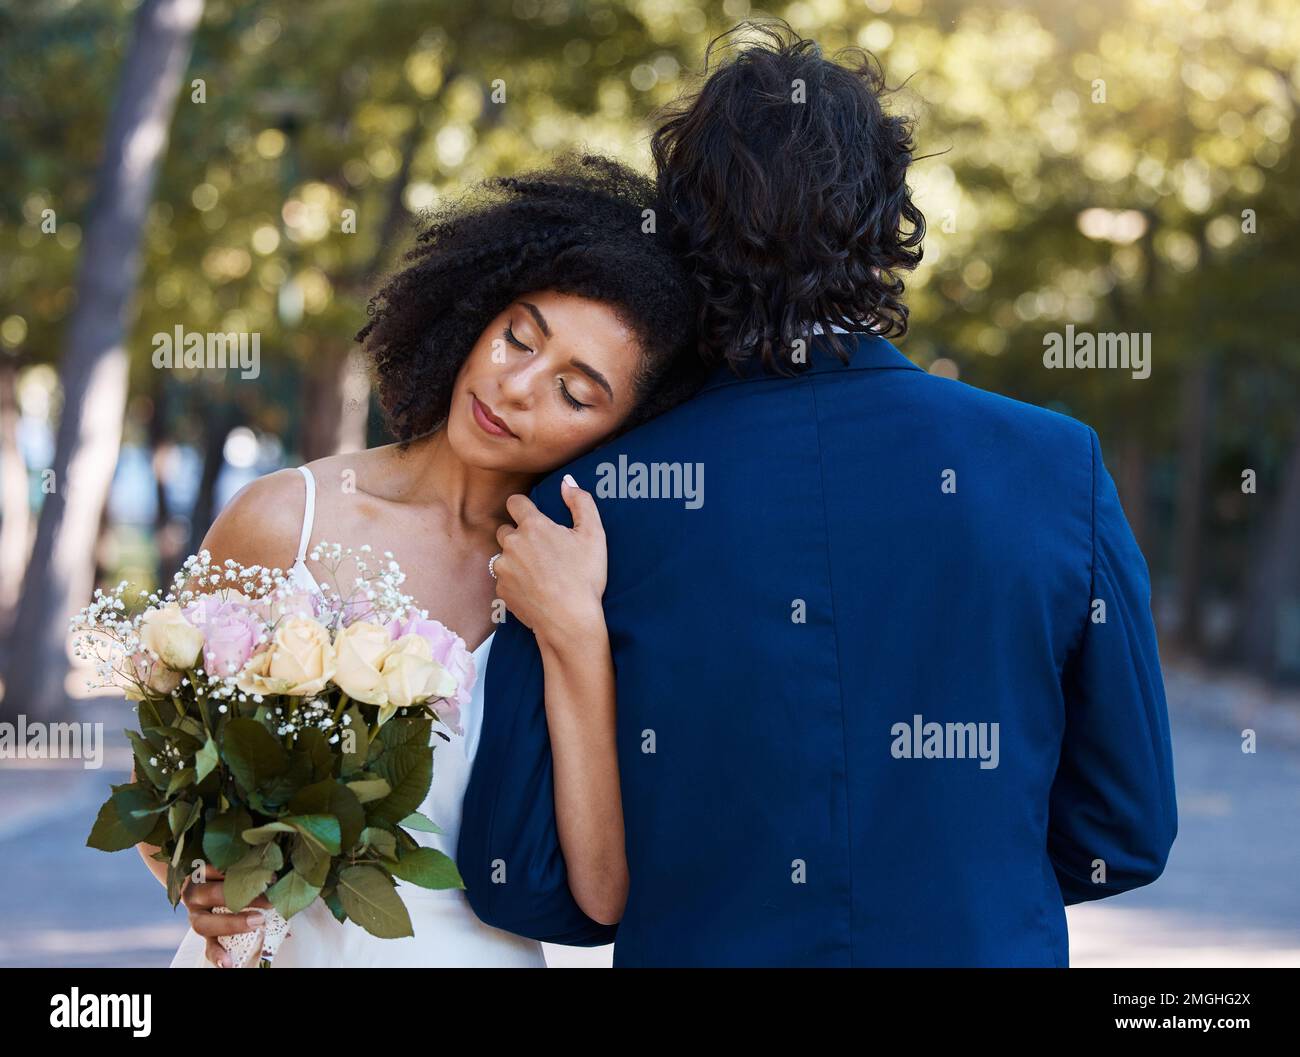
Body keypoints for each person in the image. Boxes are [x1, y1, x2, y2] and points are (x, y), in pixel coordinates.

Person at [457, 23, 1178, 966]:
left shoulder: (587, 505)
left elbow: (531, 881)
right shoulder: (1056, 468)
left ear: (683, 236)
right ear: (891, 222)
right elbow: (1124, 833)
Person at [142, 155, 705, 966]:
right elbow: (160, 793)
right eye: (518, 337)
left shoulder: (593, 584)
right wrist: (195, 881)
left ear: (621, 434)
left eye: (575, 393)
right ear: (475, 310)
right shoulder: (282, 521)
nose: (517, 387)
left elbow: (602, 890)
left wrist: (574, 628)